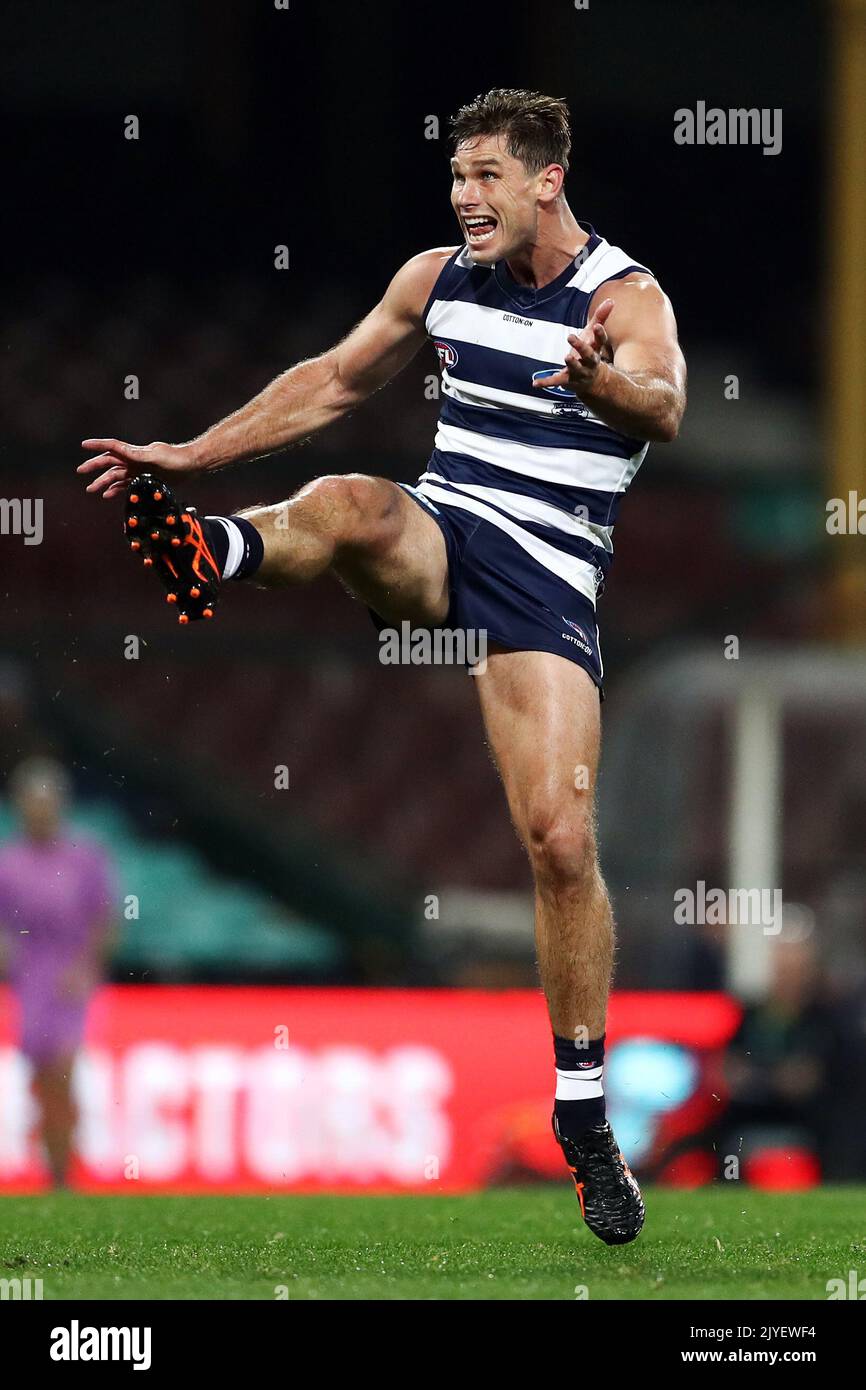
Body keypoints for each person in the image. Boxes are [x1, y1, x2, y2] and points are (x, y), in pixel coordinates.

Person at [78, 88, 686, 1242]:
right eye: (456, 176)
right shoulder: (435, 279)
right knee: (356, 502)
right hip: (446, 526)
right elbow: (337, 378)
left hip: (548, 579)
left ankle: (581, 1116)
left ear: (547, 179)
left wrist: (606, 386)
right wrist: (192, 452)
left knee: (559, 842)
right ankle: (214, 548)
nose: (464, 197)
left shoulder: (622, 294)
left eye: (487, 177)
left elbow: (663, 400)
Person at [0, 758, 115, 1188]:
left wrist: (86, 968)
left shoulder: (85, 857)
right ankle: (54, 1171)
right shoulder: (7, 863)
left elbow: (104, 919)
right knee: (40, 1079)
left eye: (46, 801)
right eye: (32, 801)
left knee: (63, 1071)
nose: (40, 809)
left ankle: (65, 1173)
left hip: (70, 979)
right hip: (29, 980)